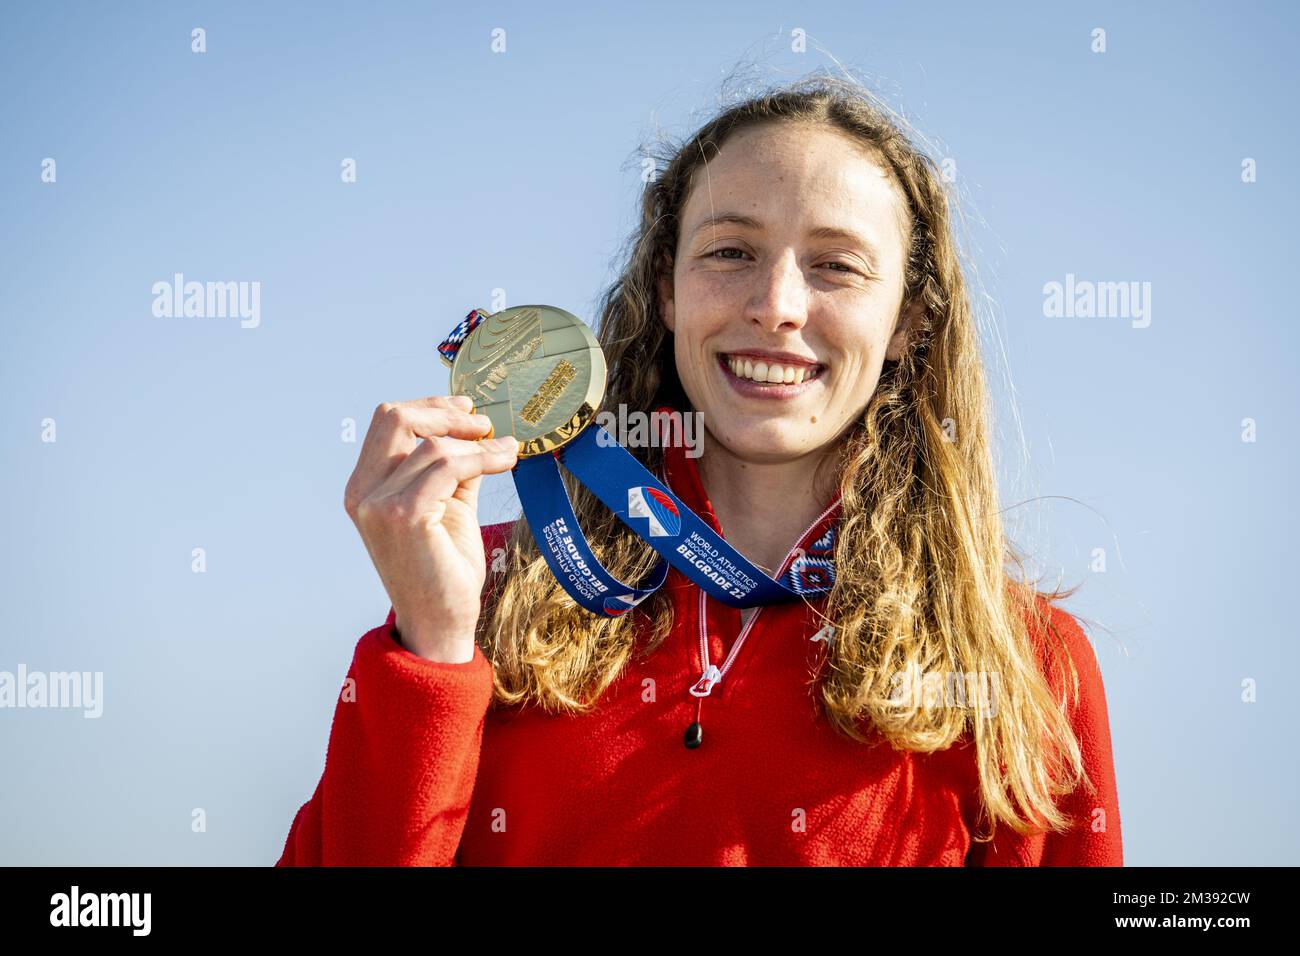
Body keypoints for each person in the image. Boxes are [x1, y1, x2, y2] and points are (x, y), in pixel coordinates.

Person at [275, 75, 1123, 866]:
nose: (776, 305)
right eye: (730, 252)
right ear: (666, 289)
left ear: (907, 320)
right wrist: (431, 654)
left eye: (836, 265)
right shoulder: (485, 591)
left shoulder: (1020, 660)